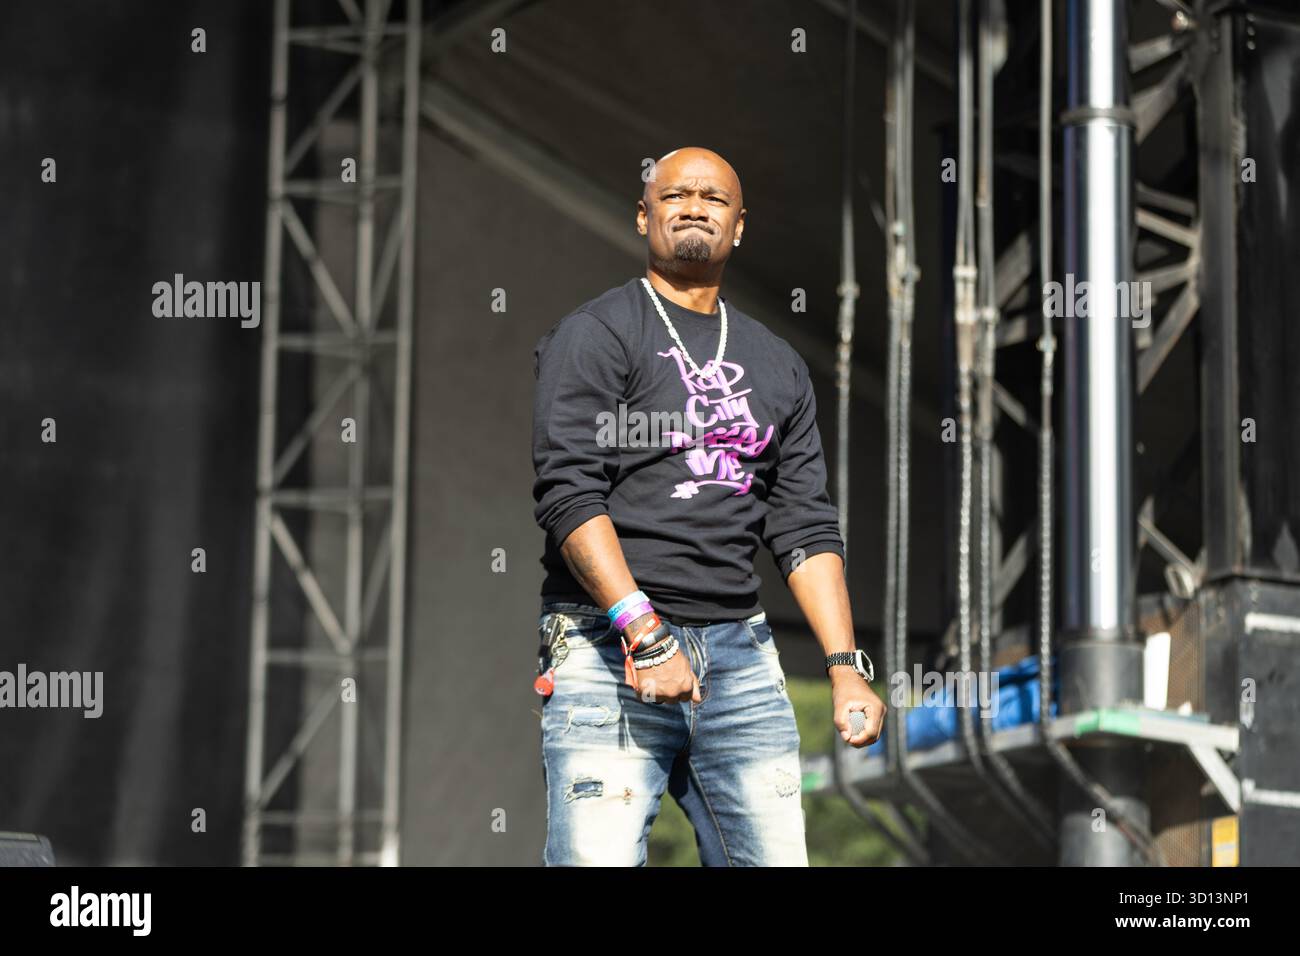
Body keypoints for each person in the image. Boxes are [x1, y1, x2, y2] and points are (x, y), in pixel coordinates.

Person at [531, 147, 885, 866]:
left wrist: (845, 665)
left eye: (714, 198)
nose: (695, 206)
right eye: (677, 195)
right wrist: (644, 630)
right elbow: (568, 494)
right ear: (644, 215)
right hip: (610, 646)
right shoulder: (596, 334)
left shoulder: (778, 362)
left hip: (740, 655)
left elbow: (805, 527)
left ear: (740, 226)